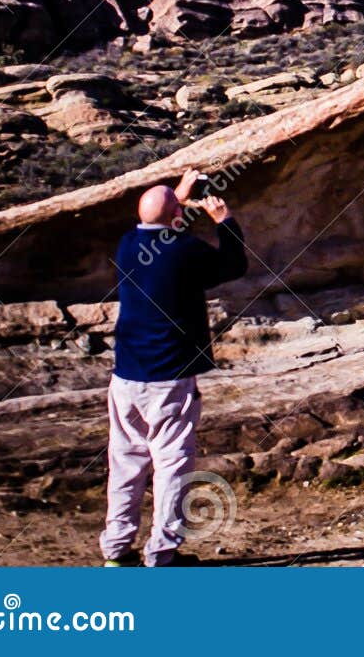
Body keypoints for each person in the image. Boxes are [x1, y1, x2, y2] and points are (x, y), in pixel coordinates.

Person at [101, 169, 246, 568]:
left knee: (126, 462)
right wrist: (224, 220)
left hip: (126, 375)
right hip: (170, 378)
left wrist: (176, 197)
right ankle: (162, 554)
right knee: (171, 464)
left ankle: (116, 550)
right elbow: (233, 265)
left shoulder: (129, 244)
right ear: (174, 219)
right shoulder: (186, 251)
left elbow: (161, 227)